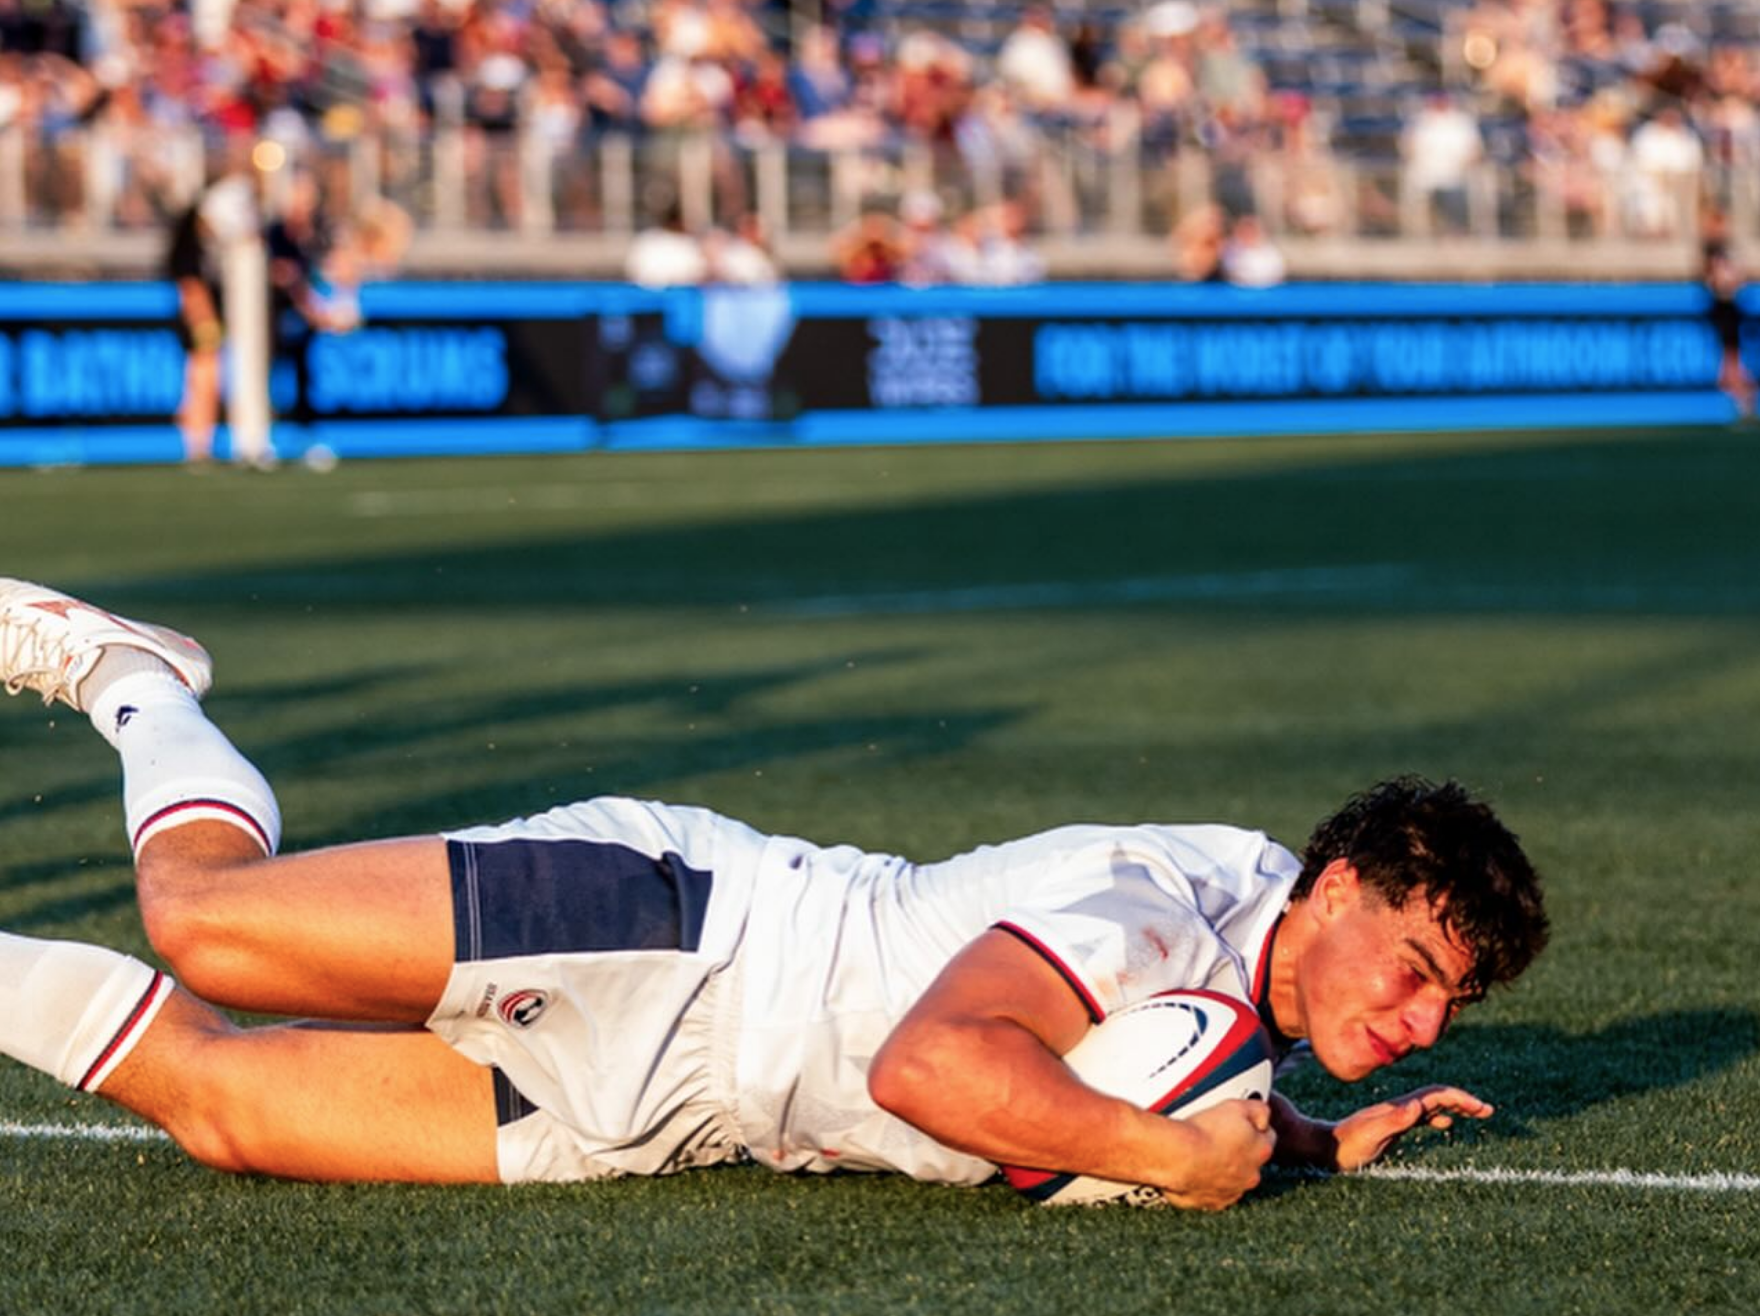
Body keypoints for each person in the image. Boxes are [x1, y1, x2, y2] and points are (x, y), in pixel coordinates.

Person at [0, 579, 1548, 1208]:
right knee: (208, 922)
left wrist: (1302, 1136)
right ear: (1335, 885)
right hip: (688, 933)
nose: (1417, 1018)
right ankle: (136, 679)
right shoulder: (1164, 894)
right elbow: (934, 1069)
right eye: (1411, 965)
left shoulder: (1266, 966)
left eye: (1445, 1004)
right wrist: (1168, 1157)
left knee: (220, 1110)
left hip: (677, 1115)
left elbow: (1171, 1053)